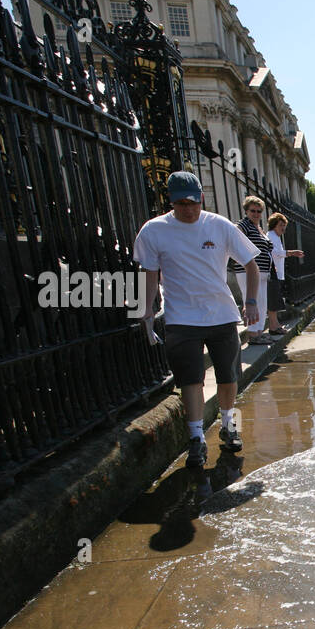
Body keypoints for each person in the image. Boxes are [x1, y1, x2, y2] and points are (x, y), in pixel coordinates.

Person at [134, 171, 261, 469]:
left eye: (193, 202)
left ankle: (228, 424)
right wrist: (147, 310)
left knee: (228, 376)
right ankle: (195, 438)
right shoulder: (154, 231)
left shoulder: (219, 225)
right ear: (170, 203)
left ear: (201, 198)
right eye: (181, 204)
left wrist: (251, 301)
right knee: (191, 380)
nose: (188, 209)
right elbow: (149, 274)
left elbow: (251, 265)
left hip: (222, 315)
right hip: (182, 318)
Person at [230, 195, 276, 345]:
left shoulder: (259, 228)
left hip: (263, 272)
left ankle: (259, 332)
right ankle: (252, 334)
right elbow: (234, 238)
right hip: (247, 271)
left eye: (258, 211)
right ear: (246, 211)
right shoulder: (243, 225)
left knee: (262, 303)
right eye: (252, 211)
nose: (256, 214)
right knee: (252, 300)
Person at [265, 213, 304, 337]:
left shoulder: (275, 237)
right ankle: (273, 326)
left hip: (278, 273)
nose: (283, 228)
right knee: (273, 301)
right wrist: (291, 253)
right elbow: (275, 253)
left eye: (284, 226)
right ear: (274, 225)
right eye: (281, 225)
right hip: (273, 273)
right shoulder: (270, 236)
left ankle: (275, 324)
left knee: (276, 300)